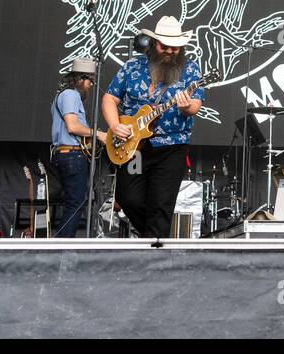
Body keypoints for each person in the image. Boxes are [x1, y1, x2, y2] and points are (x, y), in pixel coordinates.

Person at [101, 16, 206, 237]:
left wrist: (185, 106)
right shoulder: (132, 67)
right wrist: (115, 125)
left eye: (175, 48)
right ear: (154, 44)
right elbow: (110, 98)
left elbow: (194, 106)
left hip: (171, 147)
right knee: (128, 197)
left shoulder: (190, 70)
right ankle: (153, 238)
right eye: (165, 46)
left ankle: (154, 252)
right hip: (134, 148)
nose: (170, 51)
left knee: (161, 204)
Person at [49, 57, 105, 237]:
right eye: (90, 81)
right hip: (71, 155)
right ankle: (62, 245)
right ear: (81, 79)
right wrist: (98, 134)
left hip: (67, 155)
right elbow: (72, 126)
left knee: (74, 201)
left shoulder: (64, 95)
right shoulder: (70, 95)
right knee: (76, 202)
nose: (90, 85)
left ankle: (62, 243)